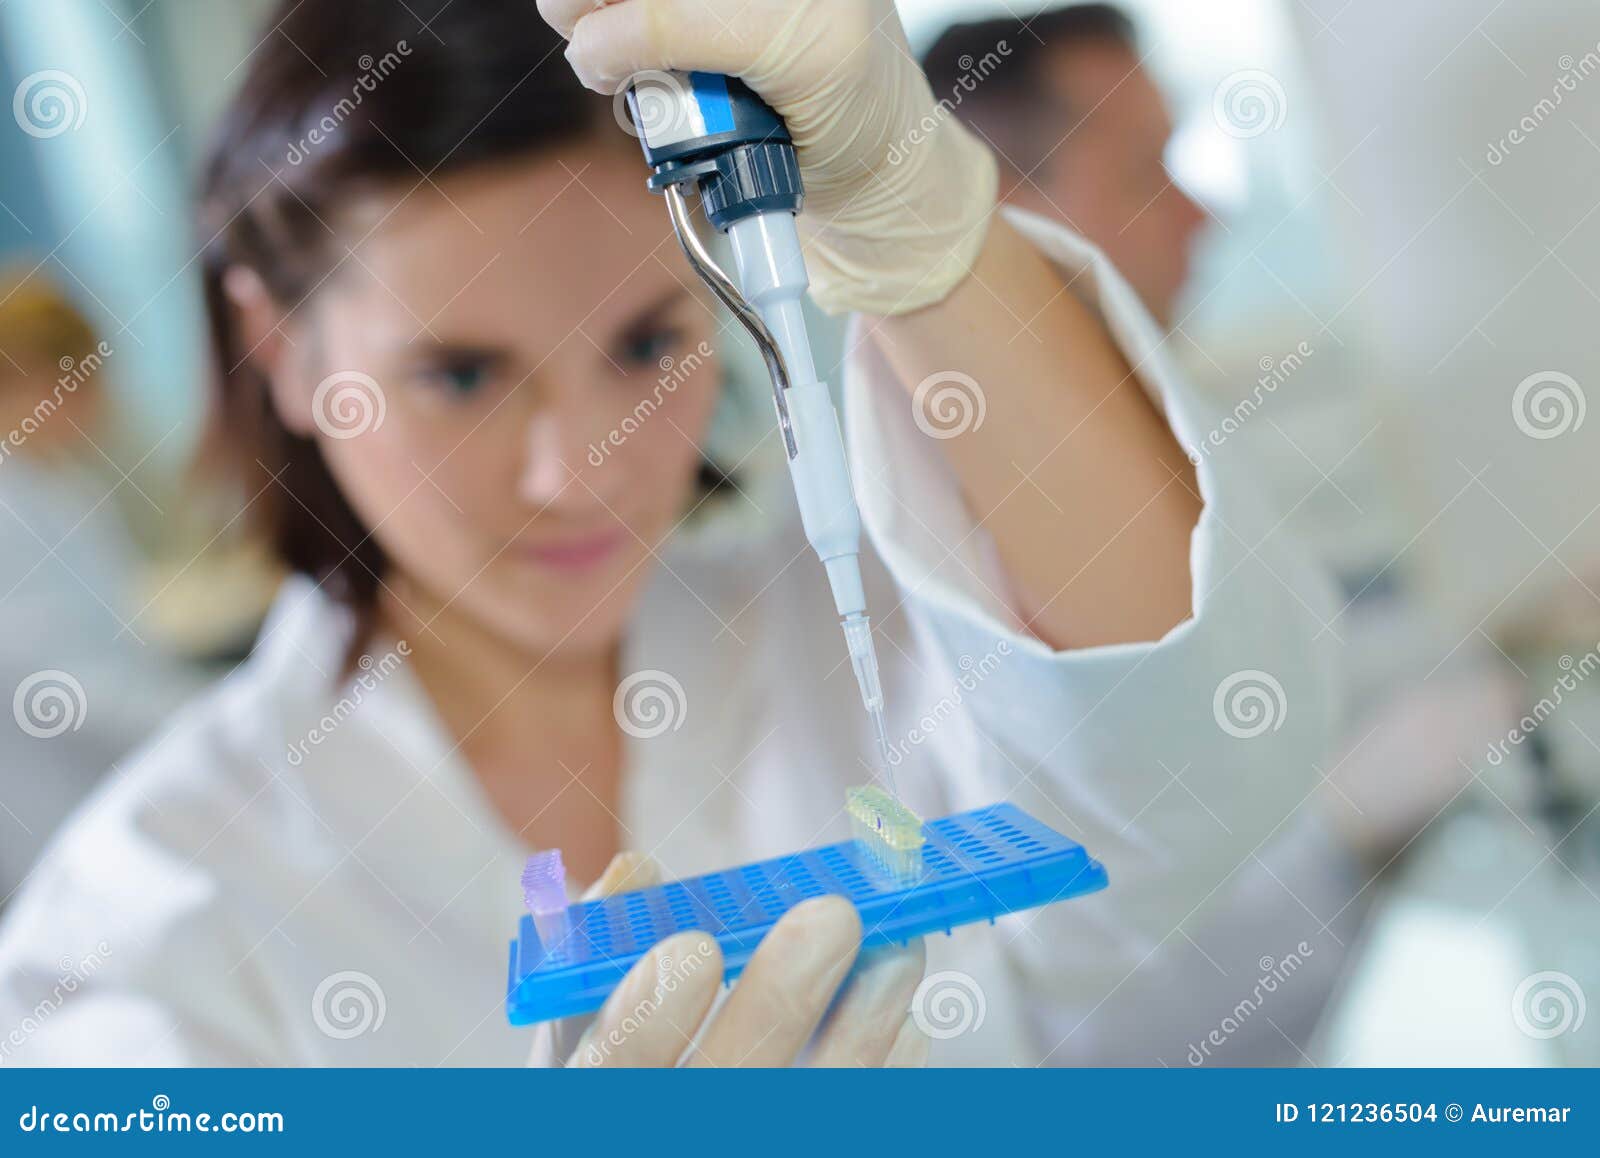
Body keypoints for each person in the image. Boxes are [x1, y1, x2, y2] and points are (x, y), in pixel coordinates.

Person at [0, 0, 1334, 1066]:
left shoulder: (886, 650)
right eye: (459, 374)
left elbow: (1204, 743)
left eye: (647, 342)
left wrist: (923, 216)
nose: (573, 472)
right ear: (282, 348)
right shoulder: (145, 921)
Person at [924, 6, 1519, 1064]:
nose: (1202, 215)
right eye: (1149, 172)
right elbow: (1078, 1033)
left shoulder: (1185, 431)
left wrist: (1518, 642)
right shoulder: (938, 559)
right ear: (1010, 216)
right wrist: (1336, 828)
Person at [0, 270, 202, 907]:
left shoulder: (57, 486)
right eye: (80, 380)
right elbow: (64, 689)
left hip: (104, 791)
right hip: (48, 816)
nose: (98, 402)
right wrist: (211, 716)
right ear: (28, 378)